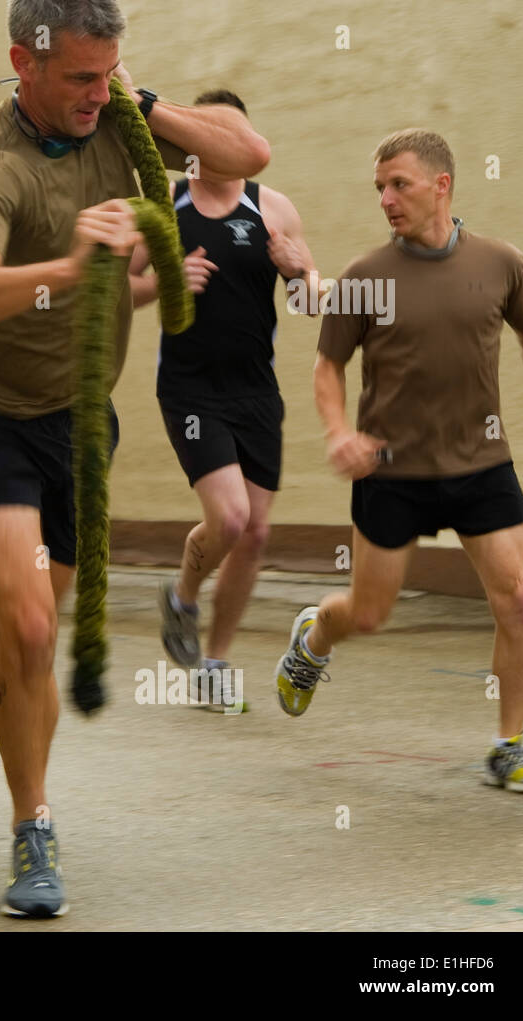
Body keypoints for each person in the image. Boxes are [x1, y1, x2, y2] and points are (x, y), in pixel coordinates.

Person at [0, 0, 270, 917]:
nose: (98, 96)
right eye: (80, 79)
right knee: (33, 624)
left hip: (76, 418)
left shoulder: (122, 124)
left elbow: (247, 153)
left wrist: (147, 105)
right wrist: (70, 266)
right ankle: (32, 830)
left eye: (111, 75)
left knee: (25, 624)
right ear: (24, 61)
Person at [276, 128, 523, 794]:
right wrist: (339, 432)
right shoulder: (366, 278)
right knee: (367, 614)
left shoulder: (502, 262)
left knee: (516, 598)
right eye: (380, 189)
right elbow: (328, 366)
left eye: (400, 184)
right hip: (390, 471)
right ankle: (314, 637)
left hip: (481, 462)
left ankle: (508, 744)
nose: (387, 200)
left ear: (441, 184)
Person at [129, 89, 315, 710]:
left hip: (256, 390)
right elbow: (119, 289)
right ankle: (184, 594)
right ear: (193, 144)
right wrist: (164, 281)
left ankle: (214, 663)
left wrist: (300, 272)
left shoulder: (273, 207)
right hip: (189, 388)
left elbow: (313, 299)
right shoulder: (166, 206)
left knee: (255, 535)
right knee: (230, 519)